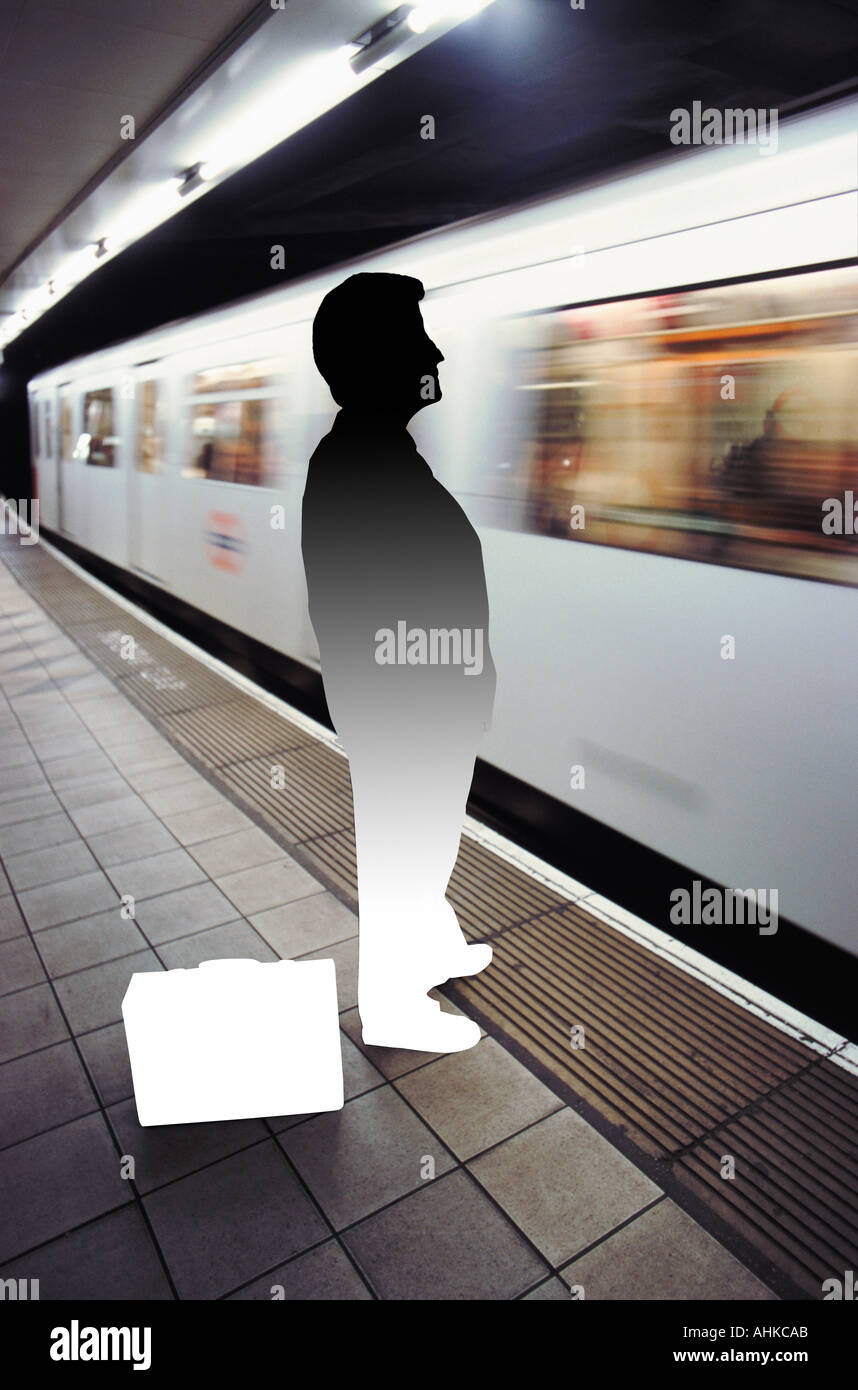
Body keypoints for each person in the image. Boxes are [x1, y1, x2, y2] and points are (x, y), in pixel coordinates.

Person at [301, 272, 496, 1052]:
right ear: (376, 358)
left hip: (417, 702)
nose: (435, 350)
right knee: (402, 847)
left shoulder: (374, 455)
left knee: (426, 835)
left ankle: (433, 948)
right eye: (416, 337)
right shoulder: (362, 467)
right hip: (404, 708)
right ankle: (391, 1008)